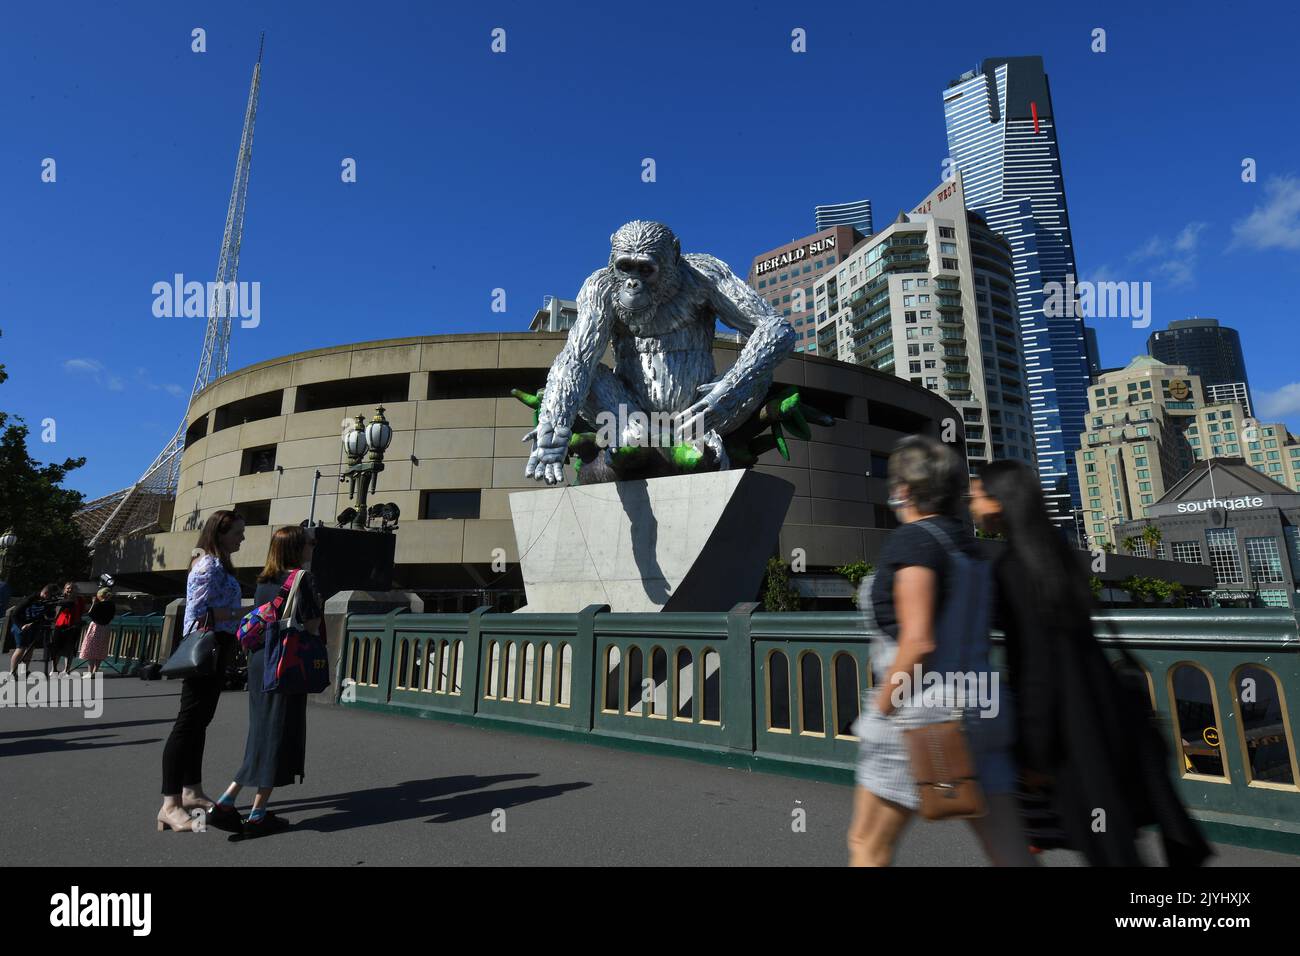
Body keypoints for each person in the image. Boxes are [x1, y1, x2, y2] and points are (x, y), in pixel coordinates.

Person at [968, 460, 1212, 866]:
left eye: (976, 495)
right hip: (1103, 708)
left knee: (1107, 844)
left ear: (999, 502)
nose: (971, 503)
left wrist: (1035, 750)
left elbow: (1034, 666)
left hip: (1071, 730)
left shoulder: (1012, 568)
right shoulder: (1053, 551)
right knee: (1114, 838)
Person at [847, 435, 1034, 867]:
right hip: (985, 709)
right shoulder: (970, 548)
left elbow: (919, 641)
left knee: (867, 844)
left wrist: (880, 710)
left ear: (904, 490)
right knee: (1009, 851)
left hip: (923, 714)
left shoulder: (912, 542)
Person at [215, 526, 321, 838]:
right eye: (310, 543)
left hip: (261, 661)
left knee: (262, 729)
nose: (313, 547)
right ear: (297, 548)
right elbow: (312, 625)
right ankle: (258, 813)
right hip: (286, 665)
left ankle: (227, 800)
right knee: (278, 733)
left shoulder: (264, 581)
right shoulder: (302, 579)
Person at [157, 510, 246, 833]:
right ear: (220, 533)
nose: (242, 538)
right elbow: (198, 612)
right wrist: (244, 611)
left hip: (218, 646)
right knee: (188, 723)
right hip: (205, 647)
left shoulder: (219, 564)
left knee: (200, 722)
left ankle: (191, 791)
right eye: (237, 533)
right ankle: (169, 804)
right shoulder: (207, 565)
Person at [9, 585, 56, 678]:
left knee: (30, 648)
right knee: (21, 648)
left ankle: (24, 671)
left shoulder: (46, 601)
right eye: (51, 596)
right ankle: (12, 673)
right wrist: (21, 626)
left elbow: (49, 615)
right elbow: (14, 614)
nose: (51, 598)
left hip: (33, 626)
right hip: (21, 626)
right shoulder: (30, 599)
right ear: (46, 593)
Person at [49, 582, 85, 677]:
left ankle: (66, 670)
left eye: (72, 588)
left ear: (75, 590)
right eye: (68, 588)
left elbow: (81, 611)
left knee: (69, 649)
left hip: (73, 626)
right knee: (56, 648)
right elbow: (56, 611)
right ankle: (54, 669)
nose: (70, 590)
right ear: (64, 589)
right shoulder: (61, 598)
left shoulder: (79, 600)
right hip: (60, 625)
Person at [78, 587, 116, 677]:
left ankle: (89, 672)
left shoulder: (99, 605)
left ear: (100, 595)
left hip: (96, 627)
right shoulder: (112, 605)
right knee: (100, 649)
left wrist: (94, 603)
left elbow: (90, 614)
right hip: (105, 627)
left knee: (91, 648)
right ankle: (95, 671)